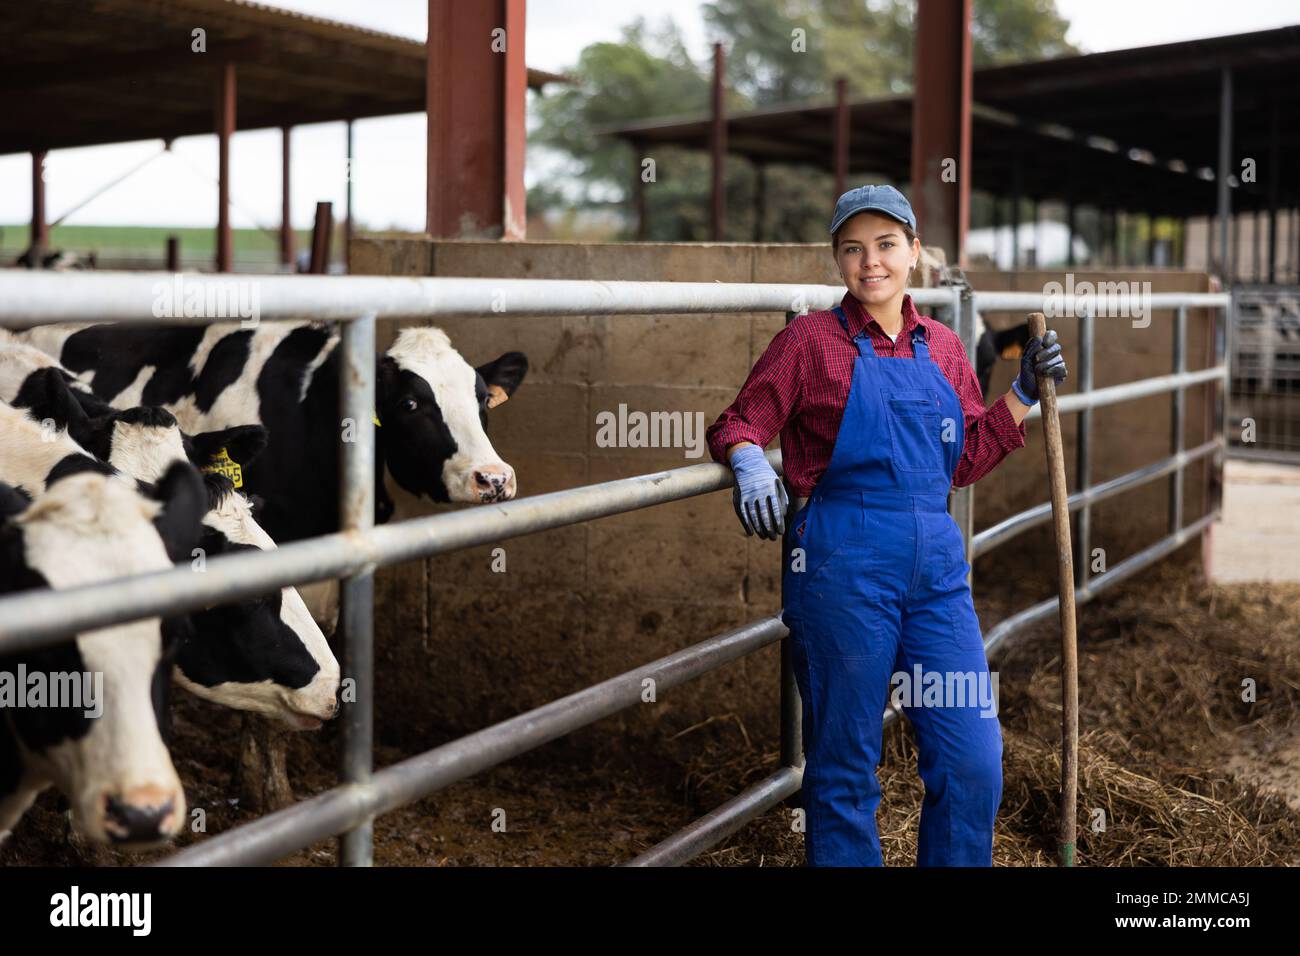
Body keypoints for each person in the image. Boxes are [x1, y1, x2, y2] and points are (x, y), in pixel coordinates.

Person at [705, 184, 1067, 866]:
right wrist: (750, 461)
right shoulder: (809, 341)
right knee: (844, 763)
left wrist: (1020, 396)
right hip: (842, 564)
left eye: (885, 245)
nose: (870, 262)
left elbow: (959, 461)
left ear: (914, 253)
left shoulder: (947, 348)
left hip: (935, 570)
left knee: (972, 758)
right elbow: (739, 420)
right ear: (836, 260)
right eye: (852, 249)